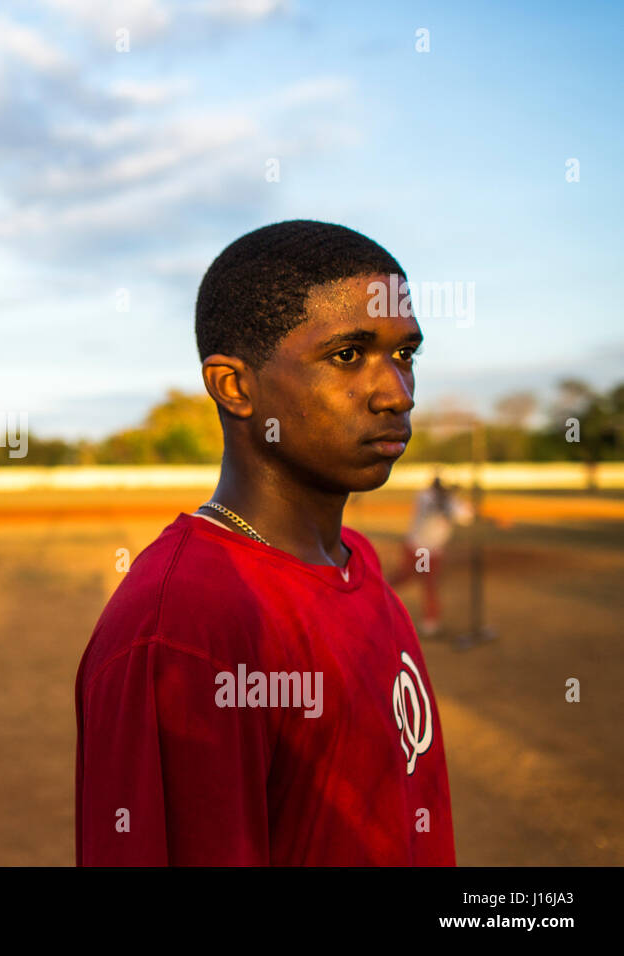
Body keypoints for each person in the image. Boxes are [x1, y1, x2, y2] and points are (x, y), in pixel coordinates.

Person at [75, 220, 455, 865]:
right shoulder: (185, 625)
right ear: (235, 386)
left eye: (405, 354)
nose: (397, 392)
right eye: (347, 355)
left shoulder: (356, 563)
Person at [390, 474, 473, 636]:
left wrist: (453, 498)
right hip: (421, 549)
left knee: (421, 580)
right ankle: (430, 620)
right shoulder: (425, 496)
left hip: (431, 550)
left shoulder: (450, 501)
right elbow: (438, 506)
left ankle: (430, 620)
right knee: (417, 579)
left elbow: (466, 516)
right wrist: (450, 498)